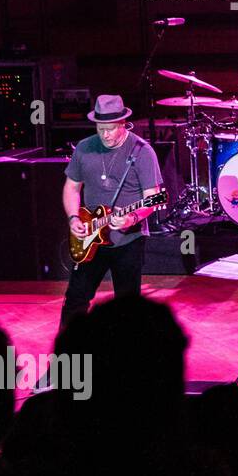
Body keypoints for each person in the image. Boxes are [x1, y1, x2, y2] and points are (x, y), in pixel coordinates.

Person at [60, 94, 163, 329]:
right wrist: (73, 217)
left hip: (128, 240)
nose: (105, 134)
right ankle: (64, 360)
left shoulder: (142, 152)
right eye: (100, 128)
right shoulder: (85, 148)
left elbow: (153, 199)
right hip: (89, 238)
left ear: (123, 124)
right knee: (75, 299)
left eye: (110, 129)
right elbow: (71, 188)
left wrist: (132, 217)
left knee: (127, 308)